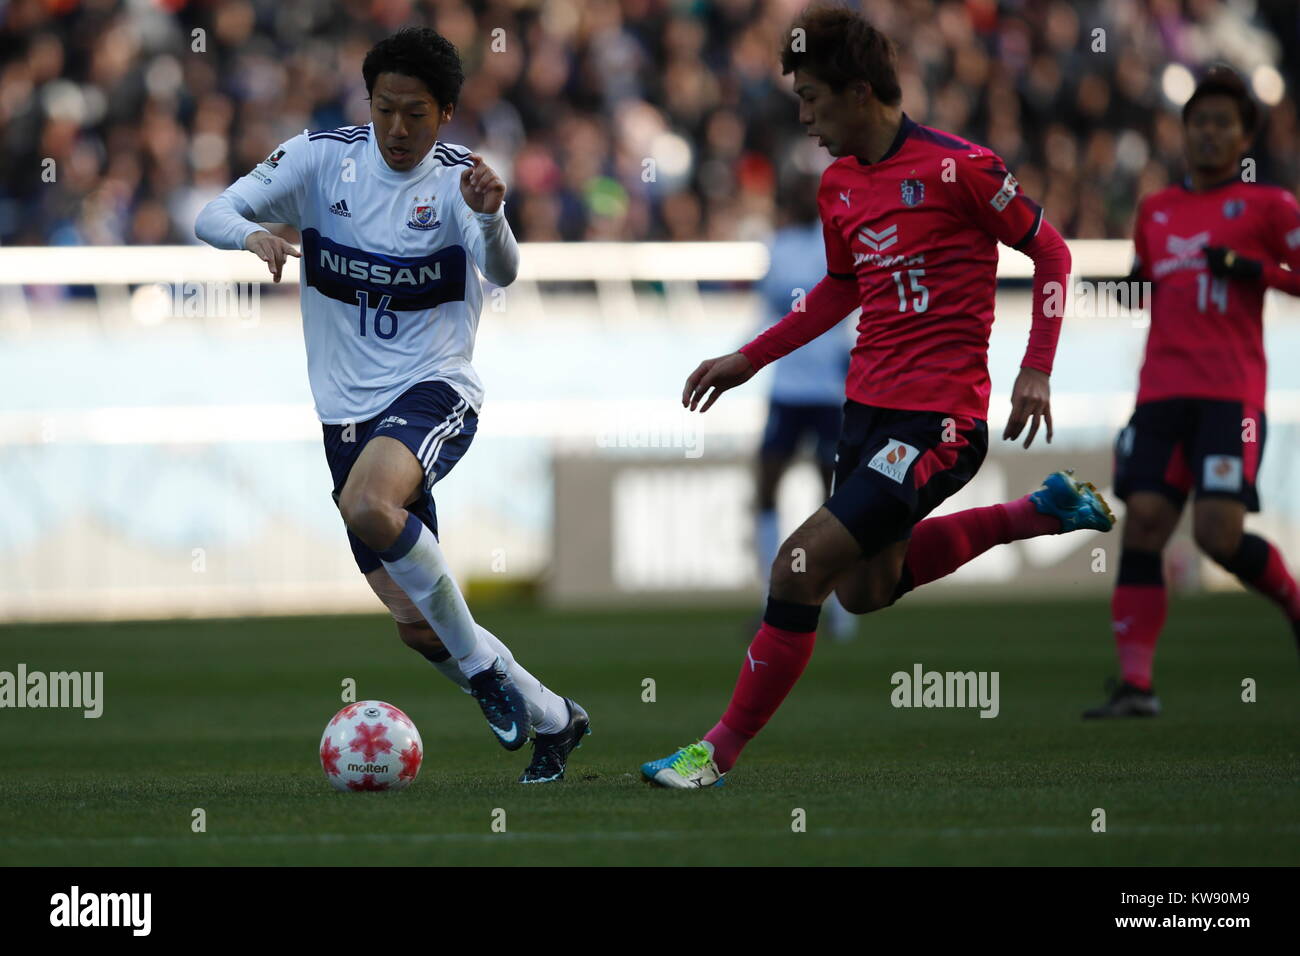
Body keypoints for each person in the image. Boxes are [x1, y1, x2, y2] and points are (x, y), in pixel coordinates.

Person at [641, 5, 1112, 789]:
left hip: (940, 421)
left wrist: (1037, 366)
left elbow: (1053, 252)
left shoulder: (963, 170)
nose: (805, 117)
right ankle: (1042, 512)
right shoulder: (838, 188)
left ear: (860, 92)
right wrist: (748, 359)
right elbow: (838, 289)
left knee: (797, 566)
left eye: (814, 99)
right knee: (861, 590)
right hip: (865, 412)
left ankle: (712, 754)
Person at [194, 27, 588, 783]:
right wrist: (252, 237)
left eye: (416, 114)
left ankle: (482, 677)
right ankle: (554, 718)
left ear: (445, 114)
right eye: (384, 110)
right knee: (418, 627)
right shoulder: (318, 159)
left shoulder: (459, 183)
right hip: (343, 414)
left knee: (370, 505)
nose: (398, 130)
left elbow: (502, 273)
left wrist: (493, 217)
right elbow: (213, 212)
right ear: (367, 103)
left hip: (434, 390)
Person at [1085, 66, 1300, 718]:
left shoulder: (1270, 206)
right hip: (1159, 394)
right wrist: (1100, 289)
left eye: (1221, 123)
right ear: (1184, 131)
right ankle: (1137, 686)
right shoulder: (1156, 209)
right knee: (1144, 522)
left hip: (1229, 398)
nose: (1208, 133)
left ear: (1244, 135)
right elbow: (1144, 283)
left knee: (1218, 535)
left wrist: (1250, 269)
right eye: (1198, 121)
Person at [754, 169, 858, 642]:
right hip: (787, 387)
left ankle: (837, 606)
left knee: (832, 499)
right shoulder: (777, 245)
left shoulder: (831, 243)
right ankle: (769, 599)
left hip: (827, 390)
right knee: (767, 486)